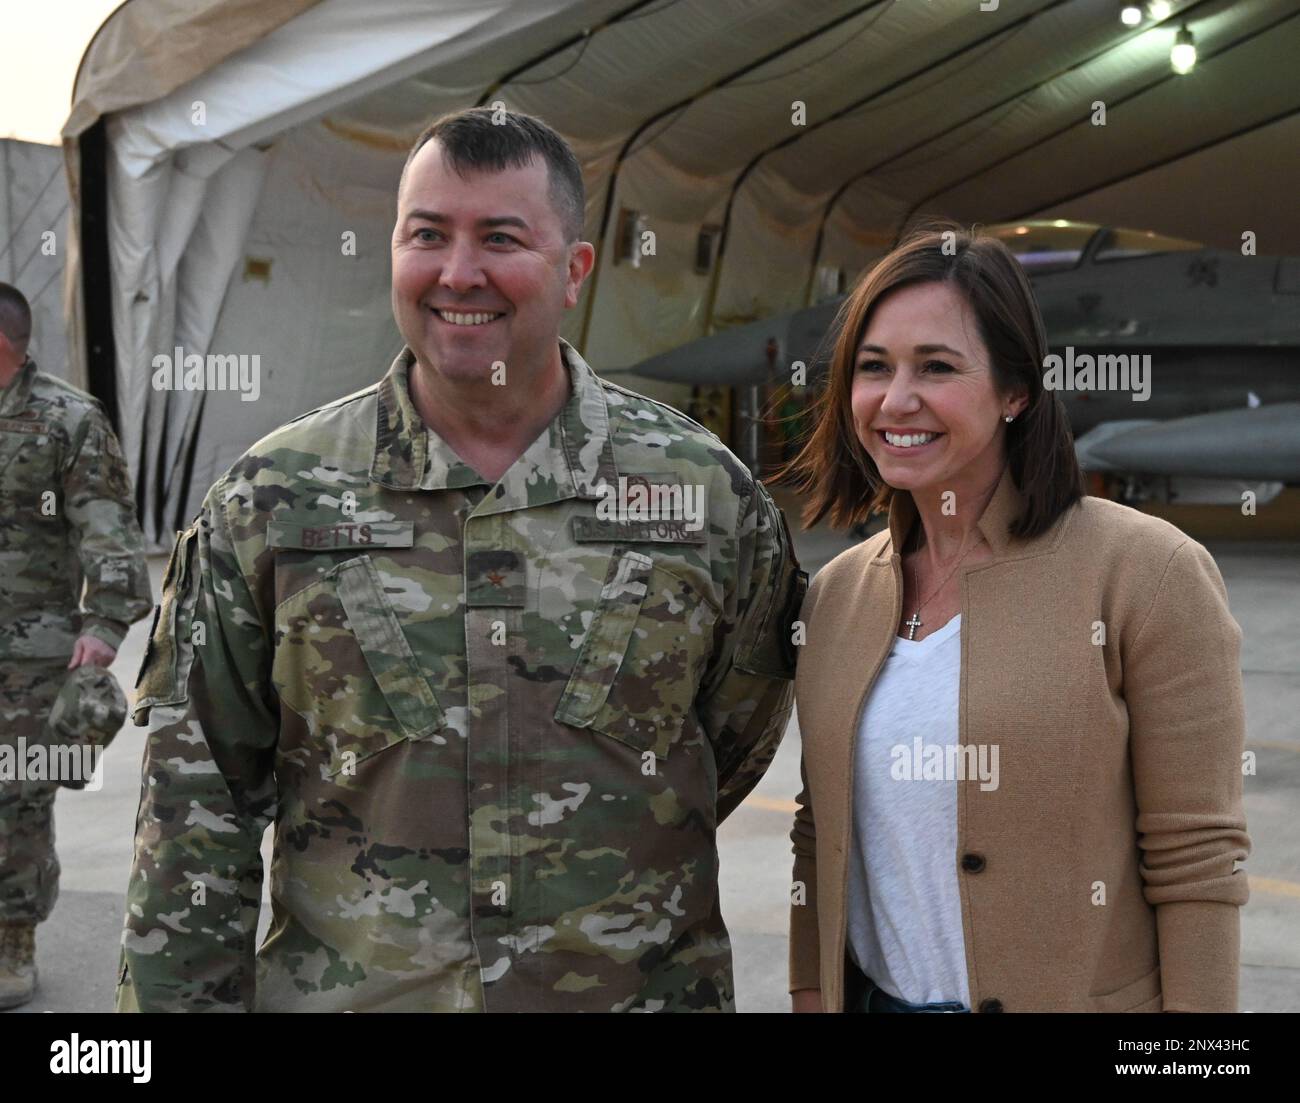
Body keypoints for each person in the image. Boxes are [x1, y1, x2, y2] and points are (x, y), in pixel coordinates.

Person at [116, 107, 804, 1013]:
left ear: (573, 271)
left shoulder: (702, 496)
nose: (457, 273)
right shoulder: (274, 498)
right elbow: (194, 816)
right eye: (427, 235)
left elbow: (731, 742)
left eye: (500, 238)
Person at [780, 225, 1250, 1013]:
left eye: (936, 366)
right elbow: (815, 835)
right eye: (873, 368)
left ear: (1015, 391)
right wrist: (806, 992)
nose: (897, 400)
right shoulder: (835, 596)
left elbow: (1197, 859)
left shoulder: (1148, 573)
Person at [0, 282, 152, 1008]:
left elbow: (107, 528)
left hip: (29, 654)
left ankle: (11, 943)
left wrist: (105, 624)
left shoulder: (67, 420)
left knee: (16, 801)